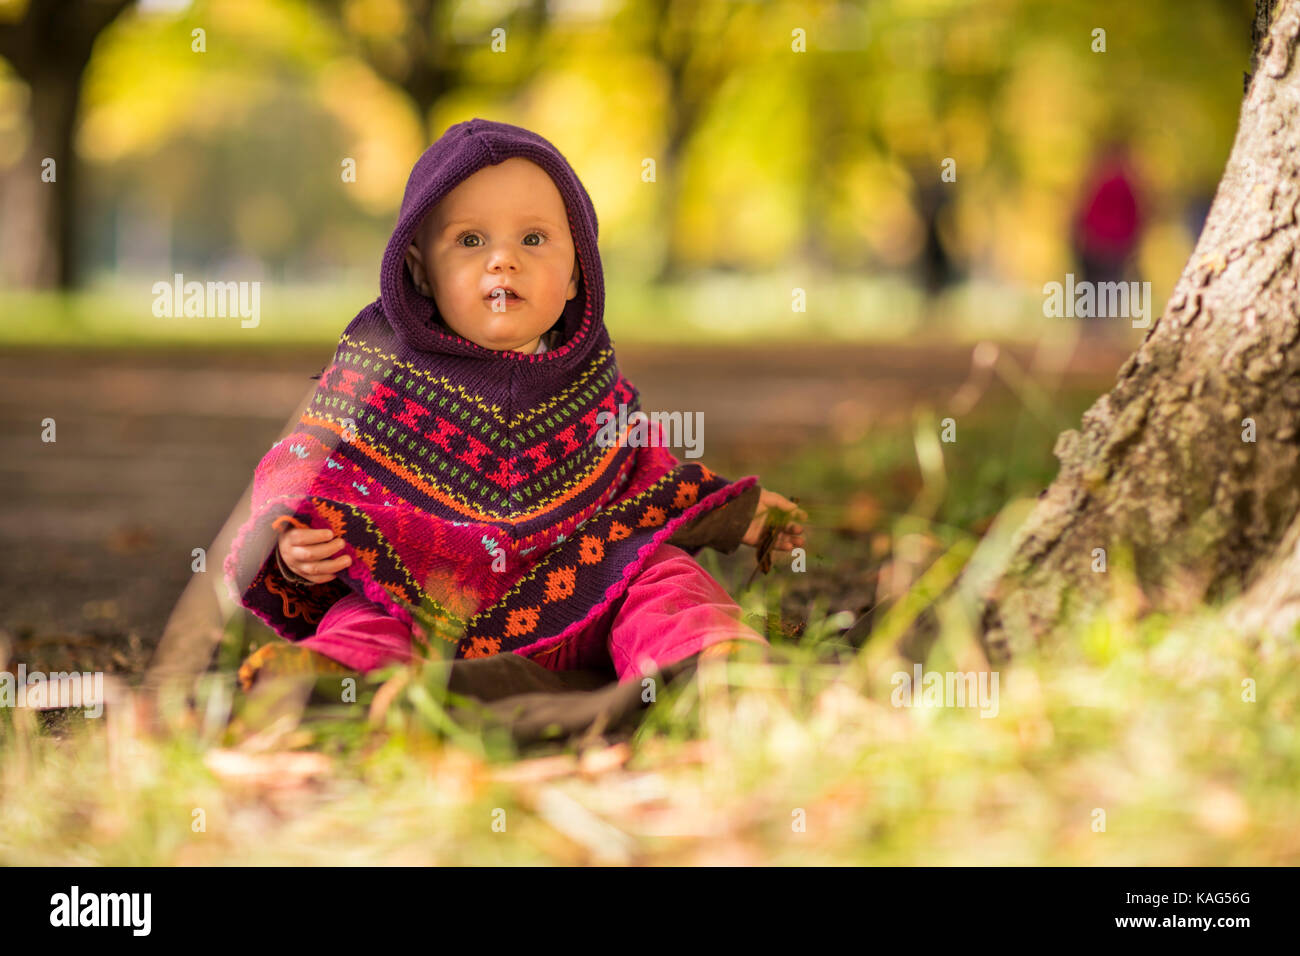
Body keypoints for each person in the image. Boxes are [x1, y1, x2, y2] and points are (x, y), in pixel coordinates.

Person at [224, 118, 807, 692]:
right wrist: (294, 546)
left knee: (665, 576)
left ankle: (706, 664)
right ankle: (343, 679)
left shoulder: (589, 378)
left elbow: (643, 484)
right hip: (433, 604)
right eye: (470, 240)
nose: (503, 260)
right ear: (420, 270)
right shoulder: (377, 376)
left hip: (587, 598)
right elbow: (303, 462)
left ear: (578, 271)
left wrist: (736, 512)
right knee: (363, 618)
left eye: (533, 239)